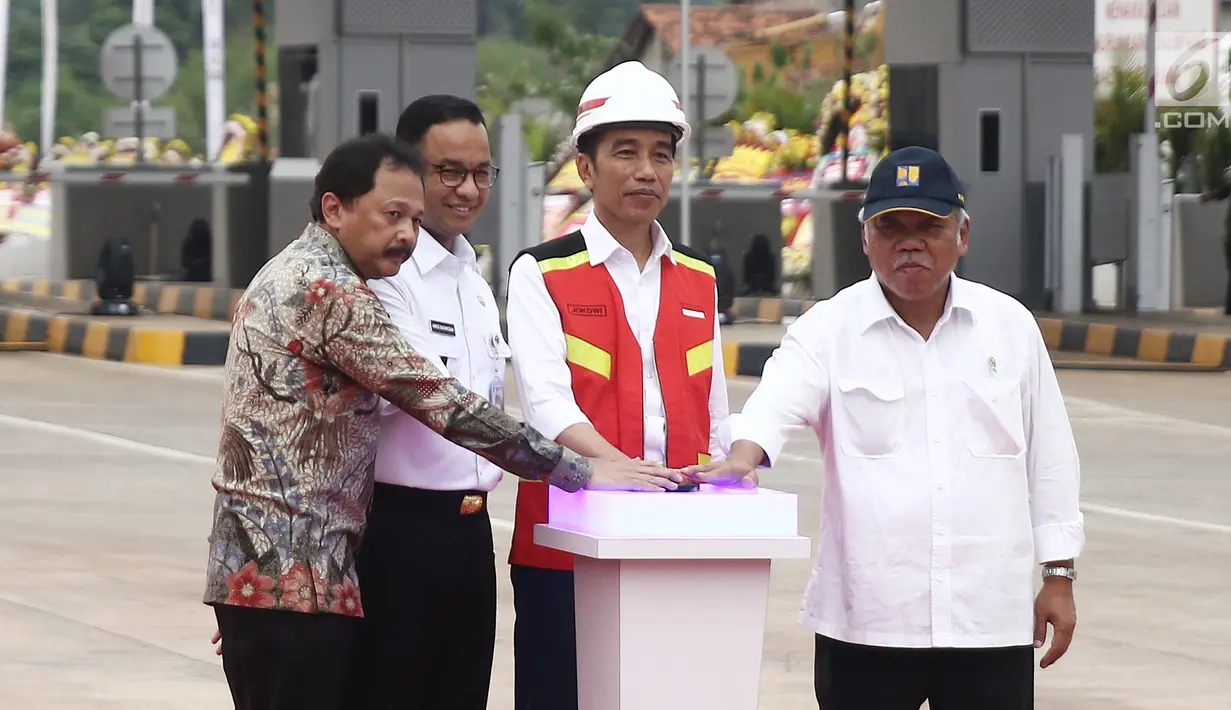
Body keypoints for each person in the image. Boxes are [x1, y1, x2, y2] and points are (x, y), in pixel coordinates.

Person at [202, 133, 687, 710]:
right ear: (334, 208)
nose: (407, 234)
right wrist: (577, 470)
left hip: (282, 577)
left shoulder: (300, 270)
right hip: (294, 578)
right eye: (391, 215)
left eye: (413, 218)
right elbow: (442, 402)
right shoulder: (328, 289)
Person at [688, 146, 1084, 710]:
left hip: (987, 619)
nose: (910, 243)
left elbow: (1051, 457)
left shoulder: (1009, 327)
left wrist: (1059, 575)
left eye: (929, 227)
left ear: (963, 234)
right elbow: (775, 402)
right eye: (891, 228)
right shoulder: (829, 329)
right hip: (867, 623)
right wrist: (744, 455)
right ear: (865, 238)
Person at [504, 60, 732, 710]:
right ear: (585, 166)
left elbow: (714, 414)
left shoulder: (699, 278)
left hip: (677, 540)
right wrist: (622, 471)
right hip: (568, 544)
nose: (646, 171)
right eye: (625, 152)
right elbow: (546, 406)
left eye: (661, 154)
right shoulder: (541, 272)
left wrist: (728, 487)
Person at [353, 95, 504, 710]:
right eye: (450, 171)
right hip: (399, 535)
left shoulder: (475, 281)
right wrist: (568, 467)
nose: (468, 189)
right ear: (411, 173)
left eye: (482, 172)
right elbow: (431, 401)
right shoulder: (388, 276)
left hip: (471, 535)